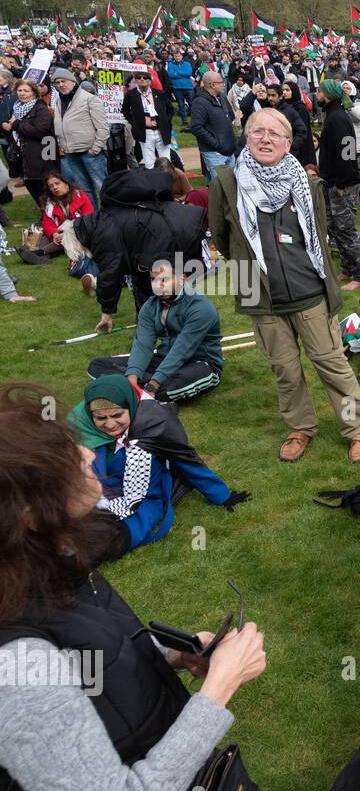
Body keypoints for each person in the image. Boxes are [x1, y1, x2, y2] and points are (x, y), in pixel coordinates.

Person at [0, 383, 266, 791]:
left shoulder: (45, 562)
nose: (87, 454)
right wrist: (219, 687)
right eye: (67, 453)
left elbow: (85, 660)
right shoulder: (15, 666)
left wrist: (171, 655)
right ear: (27, 511)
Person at [208, 108, 360, 464]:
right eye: (257, 132)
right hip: (260, 296)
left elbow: (318, 235)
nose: (265, 139)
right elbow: (223, 238)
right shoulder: (226, 181)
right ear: (246, 137)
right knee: (285, 370)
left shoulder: (308, 183)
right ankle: (300, 427)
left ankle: (356, 428)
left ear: (287, 144)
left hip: (308, 291)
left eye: (274, 134)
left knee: (332, 365)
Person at [70, 375, 245, 554]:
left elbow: (185, 458)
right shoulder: (80, 421)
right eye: (101, 418)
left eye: (117, 415)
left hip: (145, 492)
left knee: (123, 531)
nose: (110, 424)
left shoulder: (155, 421)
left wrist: (222, 495)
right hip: (100, 487)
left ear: (130, 405)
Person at [75, 167, 208, 329]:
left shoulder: (103, 228)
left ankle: (158, 325)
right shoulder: (111, 216)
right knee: (155, 279)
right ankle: (158, 322)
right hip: (183, 226)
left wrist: (106, 313)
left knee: (155, 282)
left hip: (171, 235)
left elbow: (111, 273)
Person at [87, 260, 223, 402]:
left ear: (182, 279)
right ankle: (137, 388)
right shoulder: (150, 306)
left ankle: (135, 388)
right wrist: (131, 378)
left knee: (173, 386)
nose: (158, 285)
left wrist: (153, 385)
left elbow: (182, 350)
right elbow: (143, 345)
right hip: (163, 358)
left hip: (199, 363)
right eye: (154, 279)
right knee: (96, 366)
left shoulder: (200, 308)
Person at [315, 79, 360, 291]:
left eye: (319, 91)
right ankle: (347, 268)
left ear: (327, 94)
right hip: (333, 182)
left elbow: (347, 152)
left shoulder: (337, 118)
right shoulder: (333, 115)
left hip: (342, 184)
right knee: (335, 228)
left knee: (346, 229)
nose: (316, 94)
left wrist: (341, 183)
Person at [50, 67, 108, 211]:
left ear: (73, 81)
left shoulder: (89, 99)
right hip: (71, 153)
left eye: (64, 81)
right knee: (84, 190)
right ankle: (92, 218)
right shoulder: (58, 101)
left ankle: (111, 217)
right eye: (57, 83)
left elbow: (102, 128)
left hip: (90, 153)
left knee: (102, 188)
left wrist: (95, 149)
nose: (61, 85)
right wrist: (61, 144)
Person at [4, 79, 56, 200]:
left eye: (26, 91)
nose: (22, 93)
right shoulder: (17, 107)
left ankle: (54, 216)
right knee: (31, 186)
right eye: (19, 90)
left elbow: (40, 131)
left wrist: (16, 124)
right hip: (24, 153)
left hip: (42, 152)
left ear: (34, 92)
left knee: (45, 188)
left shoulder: (40, 107)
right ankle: (44, 216)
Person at [189, 71, 238, 178]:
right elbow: (196, 127)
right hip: (214, 153)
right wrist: (216, 144)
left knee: (232, 185)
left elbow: (230, 117)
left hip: (229, 150)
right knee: (221, 188)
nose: (224, 84)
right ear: (212, 85)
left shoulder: (222, 98)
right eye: (221, 82)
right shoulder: (199, 102)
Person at [122, 71, 171, 168]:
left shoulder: (159, 93)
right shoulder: (131, 95)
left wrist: (166, 122)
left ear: (150, 81)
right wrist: (134, 122)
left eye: (145, 77)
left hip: (161, 130)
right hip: (145, 132)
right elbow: (125, 110)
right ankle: (151, 181)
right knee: (149, 162)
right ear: (136, 81)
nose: (142, 79)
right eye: (139, 78)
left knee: (166, 160)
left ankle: (167, 180)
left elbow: (170, 108)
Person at [166, 48, 195, 123]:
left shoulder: (187, 63)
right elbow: (171, 75)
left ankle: (195, 120)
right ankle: (184, 121)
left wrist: (177, 72)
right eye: (175, 56)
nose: (177, 57)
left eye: (179, 56)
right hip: (177, 88)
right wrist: (183, 74)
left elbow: (189, 73)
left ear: (181, 56)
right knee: (181, 105)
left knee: (192, 104)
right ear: (173, 57)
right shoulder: (170, 64)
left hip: (188, 87)